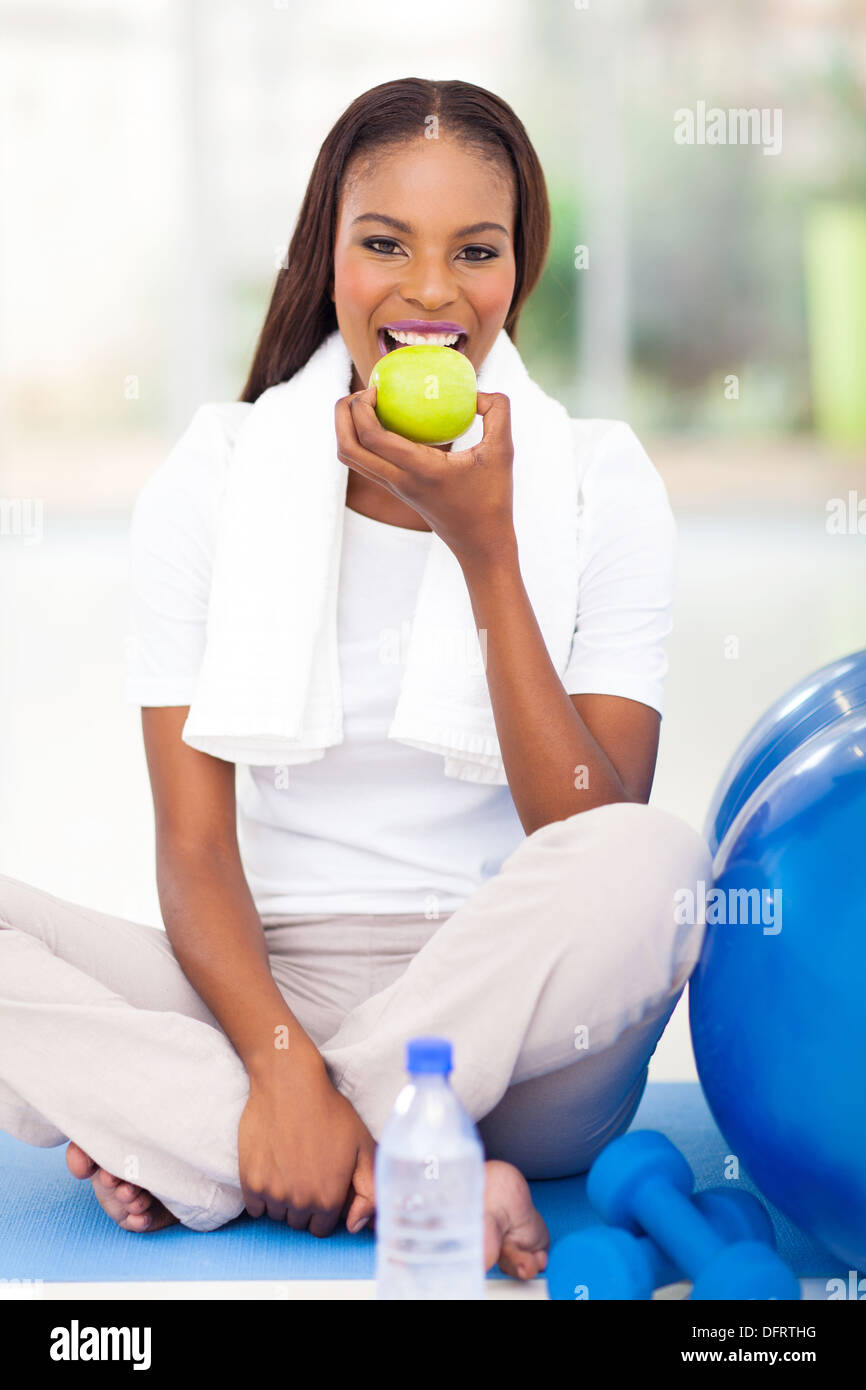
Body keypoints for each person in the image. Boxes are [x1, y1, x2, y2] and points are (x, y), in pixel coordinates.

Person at [0, 77, 711, 1282]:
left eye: (472, 252)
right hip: (260, 988)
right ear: (324, 257)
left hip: (517, 1028)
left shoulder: (599, 482)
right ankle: (380, 1152)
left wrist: (483, 550)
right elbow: (193, 849)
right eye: (385, 244)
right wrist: (280, 1060)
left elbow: (583, 829)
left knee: (653, 860)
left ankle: (202, 1143)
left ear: (518, 270)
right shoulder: (215, 480)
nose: (429, 292)